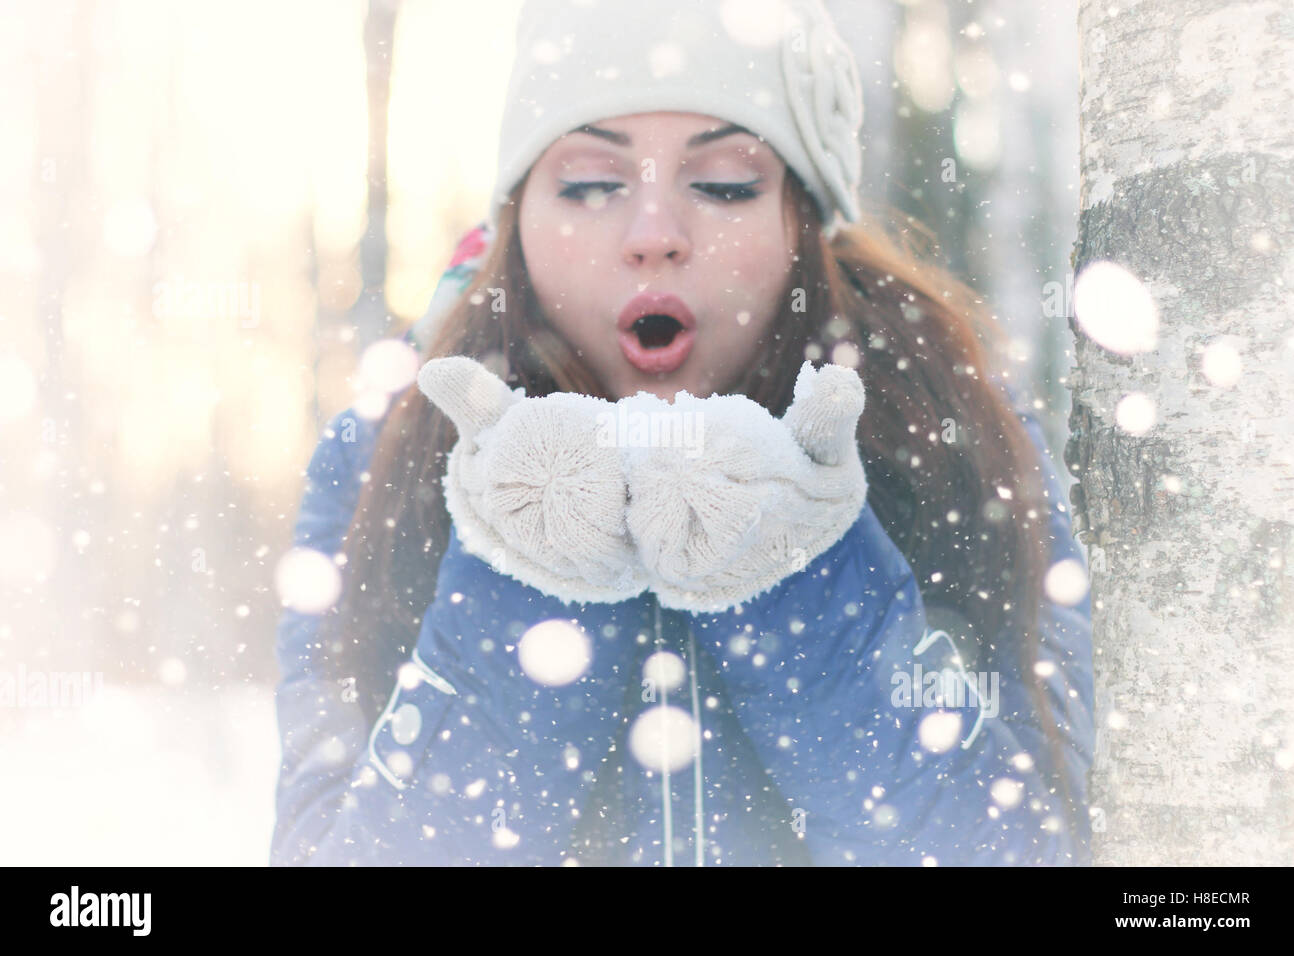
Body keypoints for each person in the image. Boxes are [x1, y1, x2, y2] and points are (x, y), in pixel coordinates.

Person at [271, 0, 1094, 866]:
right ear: (519, 220)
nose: (654, 235)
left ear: (802, 226)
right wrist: (526, 589)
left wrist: (805, 586)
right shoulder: (386, 452)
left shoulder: (954, 431)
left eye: (725, 184)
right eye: (590, 183)